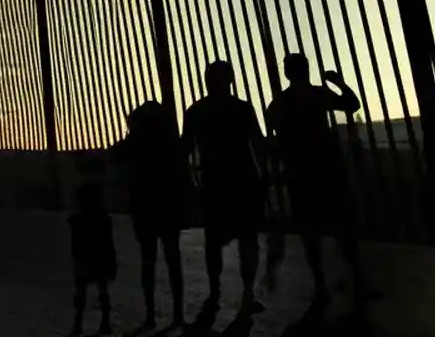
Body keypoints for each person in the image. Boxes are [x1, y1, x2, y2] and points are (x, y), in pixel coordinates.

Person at [265, 53, 367, 308]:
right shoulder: (318, 95)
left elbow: (275, 138)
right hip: (326, 167)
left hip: (301, 171)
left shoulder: (280, 102)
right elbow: (352, 104)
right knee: (341, 225)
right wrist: (339, 83)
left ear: (287, 73)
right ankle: (355, 277)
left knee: (310, 230)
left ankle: (320, 283)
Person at [182, 60, 265, 315]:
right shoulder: (242, 108)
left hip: (215, 183)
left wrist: (190, 183)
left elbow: (184, 149)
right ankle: (247, 294)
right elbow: (258, 144)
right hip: (243, 180)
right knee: (247, 240)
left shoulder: (196, 111)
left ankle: (216, 294)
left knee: (214, 242)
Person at [111, 100, 188, 329]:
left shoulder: (135, 142)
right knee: (173, 261)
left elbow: (115, 156)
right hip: (168, 207)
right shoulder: (169, 142)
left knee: (148, 261)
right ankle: (177, 316)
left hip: (144, 207)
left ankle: (151, 315)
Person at [67, 181, 116, 336]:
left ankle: (78, 325)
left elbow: (75, 244)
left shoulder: (76, 219)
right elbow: (109, 243)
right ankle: (105, 323)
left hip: (84, 259)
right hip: (100, 259)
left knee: (81, 294)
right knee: (102, 292)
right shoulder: (104, 219)